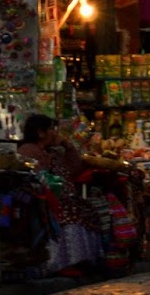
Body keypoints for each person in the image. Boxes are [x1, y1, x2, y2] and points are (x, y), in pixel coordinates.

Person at [17, 114, 105, 276]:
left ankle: (85, 259)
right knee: (70, 212)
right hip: (43, 199)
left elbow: (75, 167)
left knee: (86, 209)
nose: (54, 133)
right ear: (40, 132)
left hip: (63, 197)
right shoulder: (29, 150)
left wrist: (68, 147)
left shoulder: (53, 151)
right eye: (51, 129)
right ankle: (63, 262)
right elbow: (38, 176)